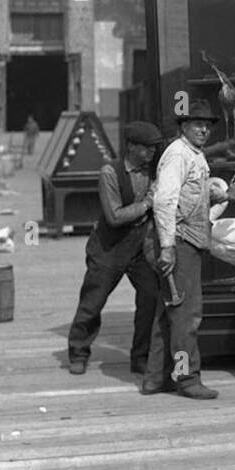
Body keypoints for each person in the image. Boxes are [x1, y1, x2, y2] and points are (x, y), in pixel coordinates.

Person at [145, 100, 235, 399]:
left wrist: (225, 196)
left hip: (183, 241)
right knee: (187, 317)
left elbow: (188, 200)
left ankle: (155, 378)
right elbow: (164, 202)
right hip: (179, 243)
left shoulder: (194, 155)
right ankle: (187, 378)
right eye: (197, 124)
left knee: (169, 312)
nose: (203, 129)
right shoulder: (178, 154)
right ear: (183, 126)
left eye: (207, 125)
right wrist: (167, 247)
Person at [66, 121, 166, 376]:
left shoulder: (153, 168)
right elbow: (114, 216)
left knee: (151, 296)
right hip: (108, 248)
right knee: (92, 302)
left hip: (139, 246)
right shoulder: (110, 172)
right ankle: (78, 352)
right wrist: (148, 203)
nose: (152, 152)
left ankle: (140, 356)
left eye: (154, 147)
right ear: (131, 147)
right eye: (147, 147)